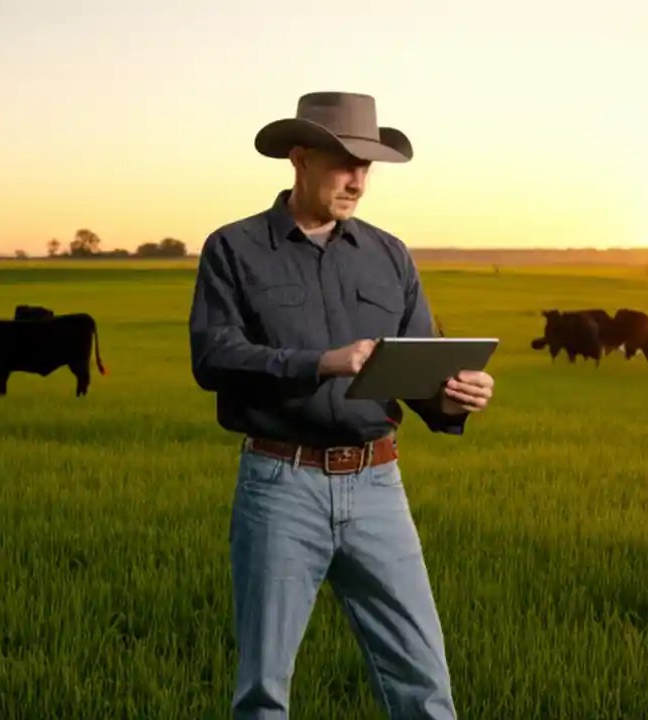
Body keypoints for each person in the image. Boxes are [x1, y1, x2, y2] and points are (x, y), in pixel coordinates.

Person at [188, 91, 496, 720]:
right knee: (263, 692)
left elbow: (420, 368)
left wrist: (454, 395)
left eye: (367, 167)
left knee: (424, 683)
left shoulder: (389, 254)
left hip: (380, 485)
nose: (357, 180)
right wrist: (318, 362)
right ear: (299, 159)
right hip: (280, 485)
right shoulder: (233, 248)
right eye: (343, 163)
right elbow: (214, 358)